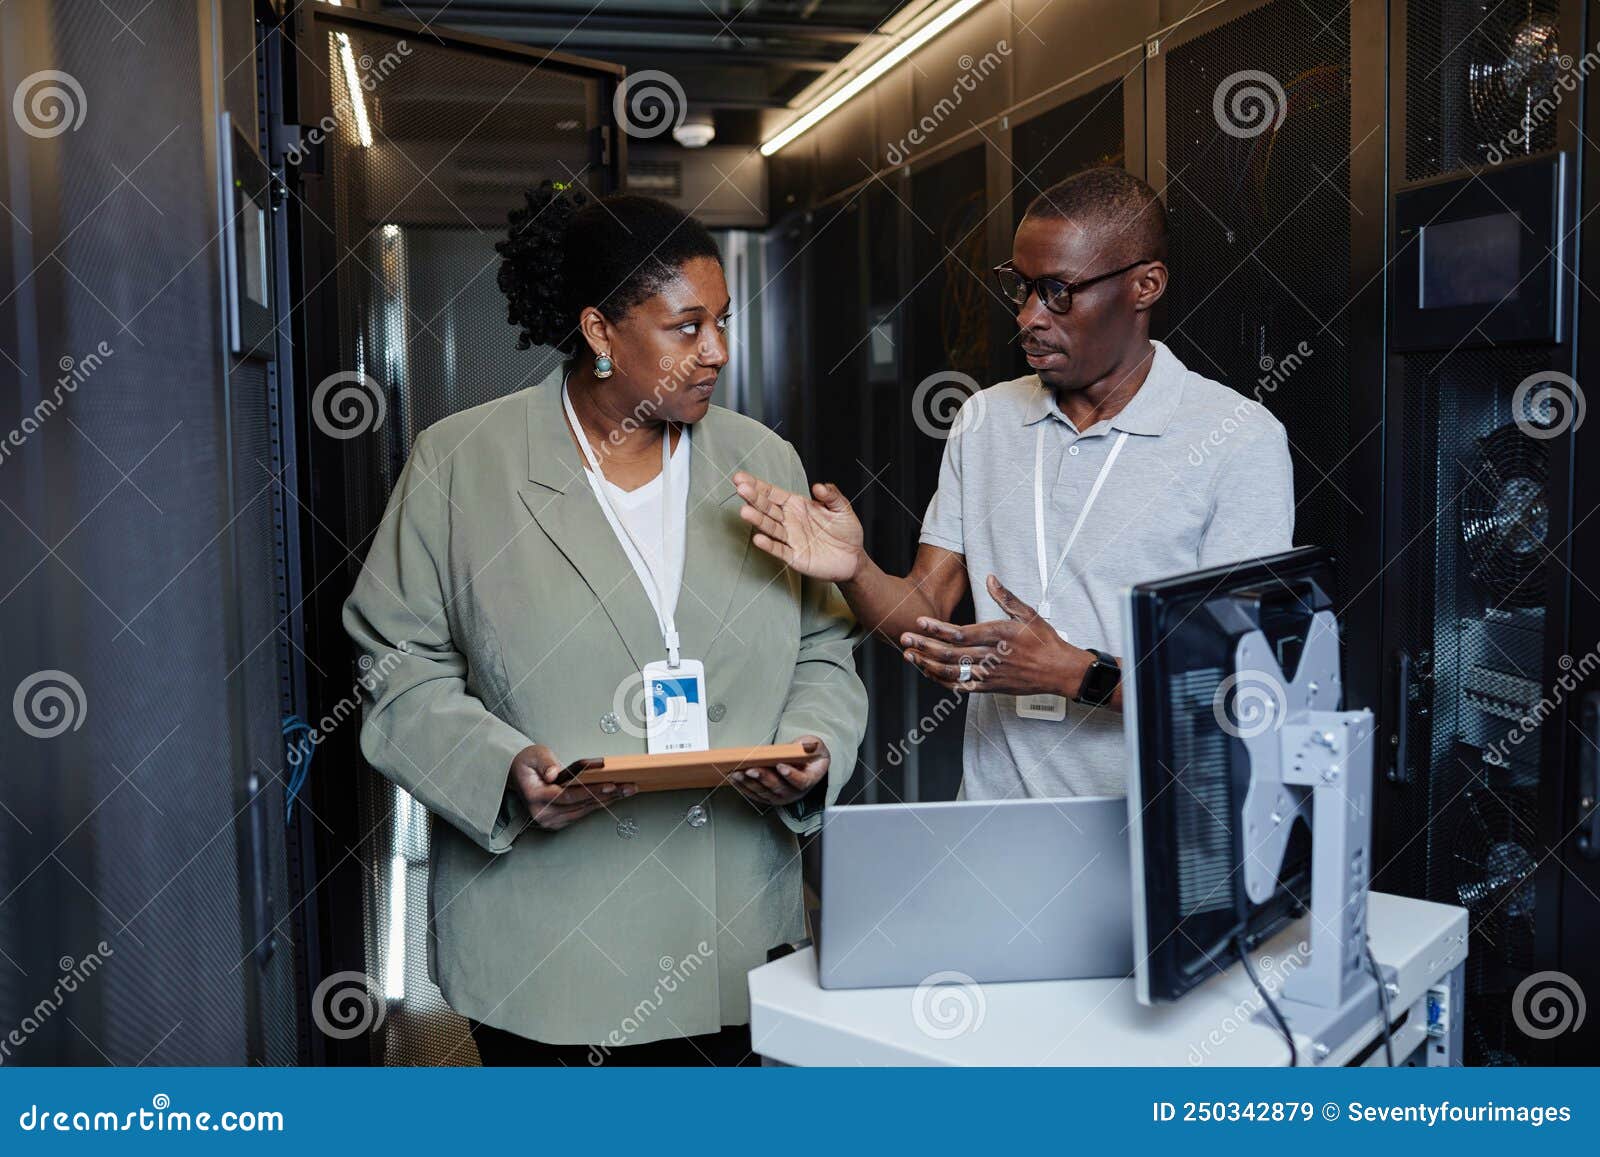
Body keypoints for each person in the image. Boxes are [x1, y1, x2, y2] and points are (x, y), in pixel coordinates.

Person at [342, 184, 866, 1065]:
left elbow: (824, 648)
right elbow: (397, 665)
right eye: (686, 327)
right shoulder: (461, 464)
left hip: (734, 932)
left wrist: (814, 748)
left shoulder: (761, 459)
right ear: (599, 332)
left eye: (722, 323)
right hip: (549, 950)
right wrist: (502, 770)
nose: (717, 351)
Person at [733, 166, 1293, 800]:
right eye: (1021, 287)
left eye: (1057, 292)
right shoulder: (985, 419)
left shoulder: (1237, 440)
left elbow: (1242, 687)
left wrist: (1075, 674)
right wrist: (854, 570)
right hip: (992, 822)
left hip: (1153, 828)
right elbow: (927, 611)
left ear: (1145, 285)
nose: (1029, 317)